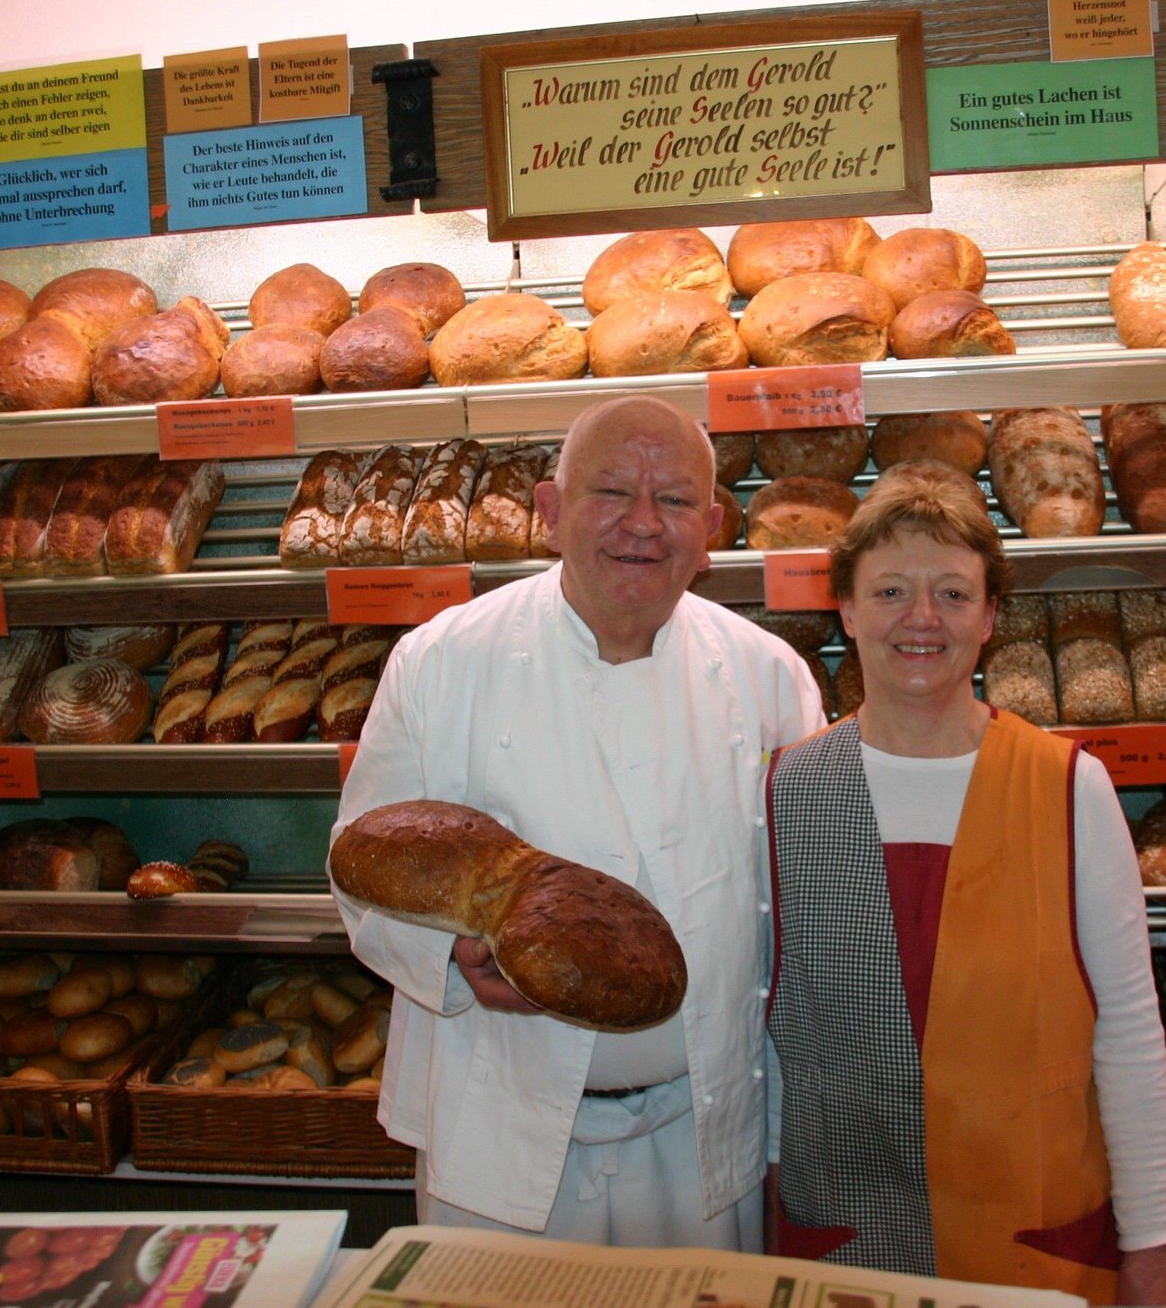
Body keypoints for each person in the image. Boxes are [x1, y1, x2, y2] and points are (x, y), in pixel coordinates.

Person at [332, 395, 826, 1248]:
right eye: (611, 492)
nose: (644, 523)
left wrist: (792, 1130)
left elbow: (800, 921)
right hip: (497, 1136)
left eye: (675, 500)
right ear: (551, 511)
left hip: (702, 1139)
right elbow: (362, 873)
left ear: (710, 530)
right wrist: (451, 957)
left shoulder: (770, 676)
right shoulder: (442, 661)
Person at [764, 461, 1166, 1306]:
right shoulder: (788, 790)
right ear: (846, 609)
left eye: (953, 593)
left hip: (1032, 1244)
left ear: (991, 616)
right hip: (847, 1244)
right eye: (890, 591)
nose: (921, 617)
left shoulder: (1067, 786)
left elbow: (1129, 1034)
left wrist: (1154, 1242)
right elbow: (776, 1039)